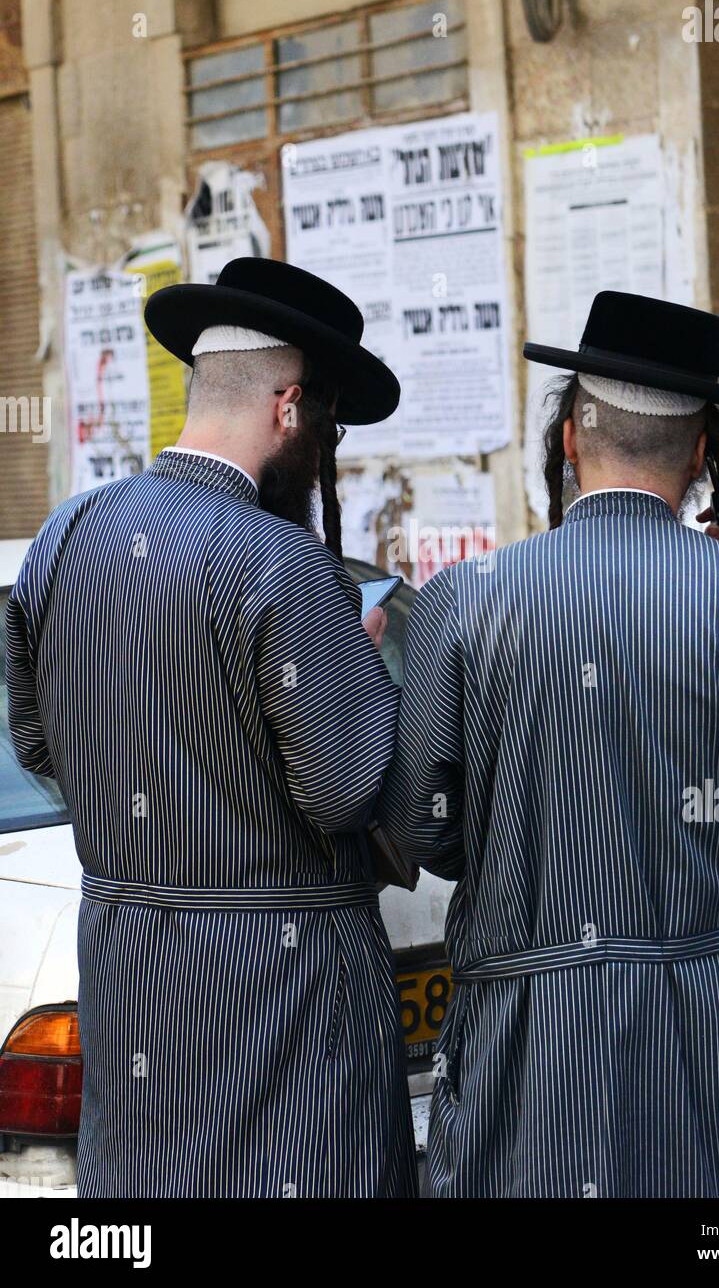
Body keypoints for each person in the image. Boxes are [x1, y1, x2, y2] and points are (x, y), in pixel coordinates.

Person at [376, 290, 719, 1198]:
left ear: (570, 437)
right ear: (699, 455)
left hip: (535, 1061)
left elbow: (425, 829)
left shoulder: (464, 602)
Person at [5, 257, 417, 1198]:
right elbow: (347, 789)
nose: (322, 452)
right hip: (285, 1007)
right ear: (287, 407)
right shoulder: (284, 565)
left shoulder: (65, 539)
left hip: (130, 978)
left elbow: (43, 751)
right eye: (326, 428)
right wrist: (358, 666)